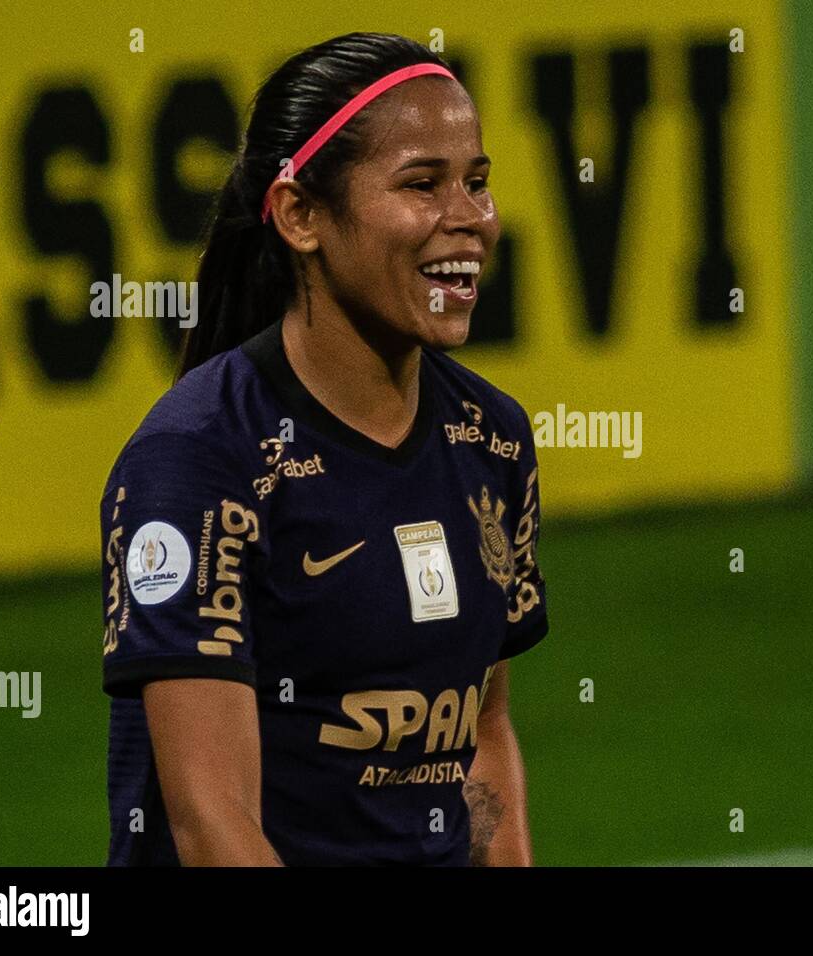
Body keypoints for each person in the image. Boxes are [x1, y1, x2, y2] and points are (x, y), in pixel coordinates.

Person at [98, 32, 548, 866]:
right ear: (301, 215)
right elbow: (212, 822)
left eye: (477, 182)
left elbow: (480, 732)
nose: (470, 219)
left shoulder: (493, 439)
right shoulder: (197, 465)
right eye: (422, 184)